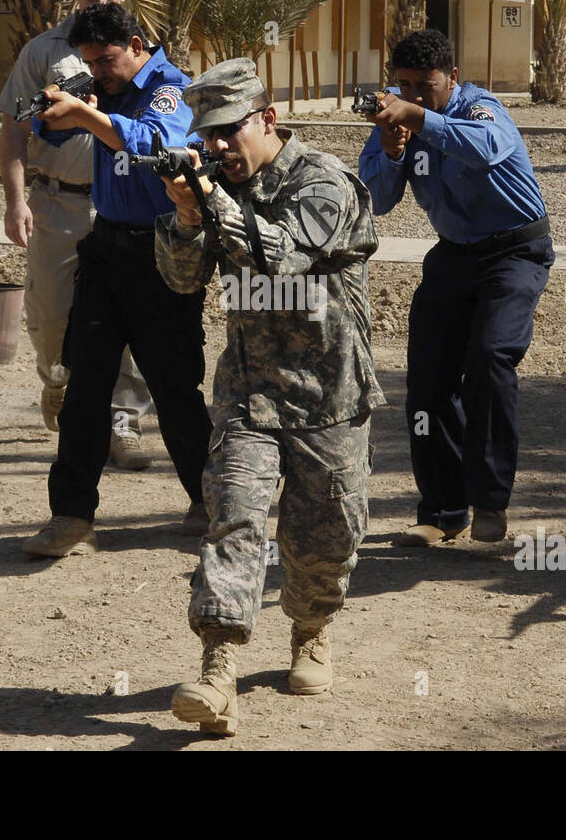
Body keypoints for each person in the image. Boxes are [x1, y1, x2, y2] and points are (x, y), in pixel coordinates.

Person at [155, 57, 382, 737]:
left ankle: (310, 626)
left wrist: (211, 197)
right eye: (209, 134)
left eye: (229, 131)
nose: (218, 146)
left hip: (329, 395)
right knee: (235, 520)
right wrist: (187, 214)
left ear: (268, 119)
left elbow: (282, 253)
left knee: (326, 542)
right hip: (249, 394)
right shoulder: (219, 185)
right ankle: (217, 669)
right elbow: (180, 278)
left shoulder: (326, 181)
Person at [21, 2, 212, 557]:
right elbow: (49, 135)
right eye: (90, 63)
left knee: (175, 388)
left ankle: (210, 501)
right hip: (105, 249)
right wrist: (54, 113)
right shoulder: (99, 90)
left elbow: (155, 143)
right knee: (85, 387)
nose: (99, 71)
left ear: (136, 44)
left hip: (163, 255)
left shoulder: (170, 88)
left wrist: (85, 113)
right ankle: (72, 517)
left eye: (106, 60)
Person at [359, 29, 553, 548]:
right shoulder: (394, 120)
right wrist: (391, 150)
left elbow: (487, 150)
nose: (414, 95)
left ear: (454, 80)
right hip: (452, 256)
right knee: (427, 378)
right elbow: (375, 201)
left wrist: (417, 119)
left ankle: (490, 502)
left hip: (515, 252)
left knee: (490, 359)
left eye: (426, 85)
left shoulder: (481, 108)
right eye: (404, 85)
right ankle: (443, 511)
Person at [0, 0, 154, 470]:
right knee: (50, 318)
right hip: (58, 202)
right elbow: (14, 132)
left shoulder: (145, 53)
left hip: (127, 207)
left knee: (133, 312)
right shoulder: (43, 51)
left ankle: (124, 419)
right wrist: (16, 201)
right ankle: (57, 381)